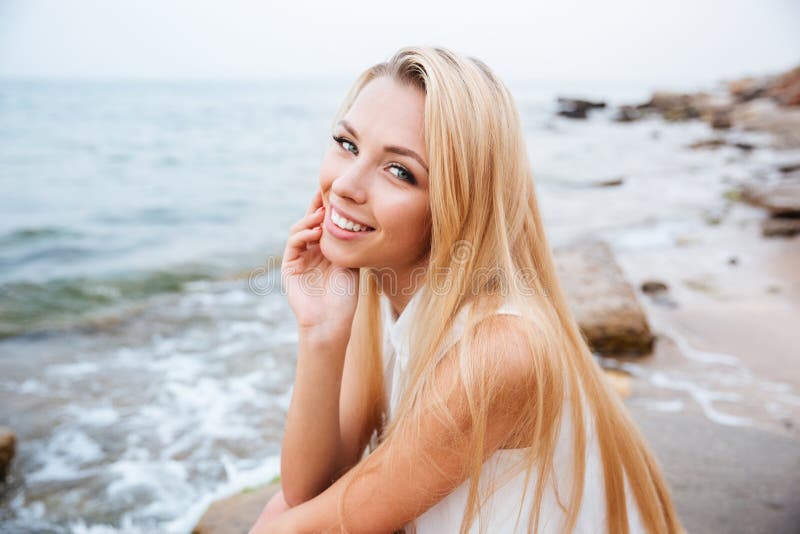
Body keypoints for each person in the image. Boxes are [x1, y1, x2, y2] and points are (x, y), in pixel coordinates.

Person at [248, 45, 684, 534]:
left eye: (400, 171)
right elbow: (306, 489)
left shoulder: (501, 348)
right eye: (347, 144)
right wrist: (321, 331)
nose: (346, 184)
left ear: (460, 205)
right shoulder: (381, 295)